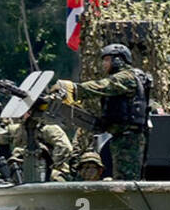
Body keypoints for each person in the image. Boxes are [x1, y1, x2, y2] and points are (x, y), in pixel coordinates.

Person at [53, 43, 150, 180]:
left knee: (126, 179)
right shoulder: (123, 78)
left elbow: (103, 86)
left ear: (118, 60)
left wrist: (75, 89)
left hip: (129, 138)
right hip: (121, 136)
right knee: (120, 177)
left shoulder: (126, 77)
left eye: (107, 60)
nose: (104, 64)